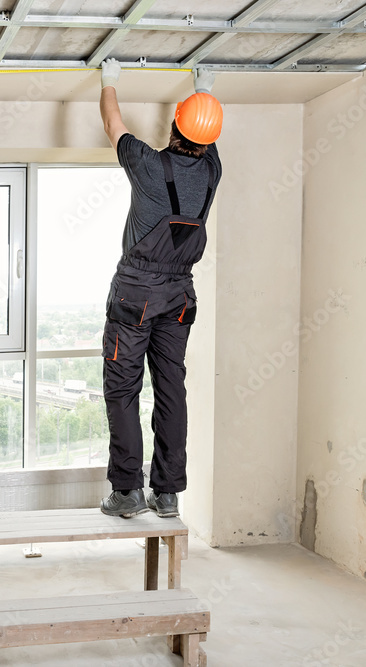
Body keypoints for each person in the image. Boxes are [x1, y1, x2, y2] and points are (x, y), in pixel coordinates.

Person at [96, 59, 223, 519]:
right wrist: (203, 87)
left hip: (136, 294)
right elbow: (208, 138)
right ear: (208, 141)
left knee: (123, 388)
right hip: (180, 296)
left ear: (173, 128)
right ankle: (166, 494)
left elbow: (113, 122)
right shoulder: (212, 173)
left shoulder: (148, 166)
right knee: (171, 388)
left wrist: (109, 79)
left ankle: (127, 492)